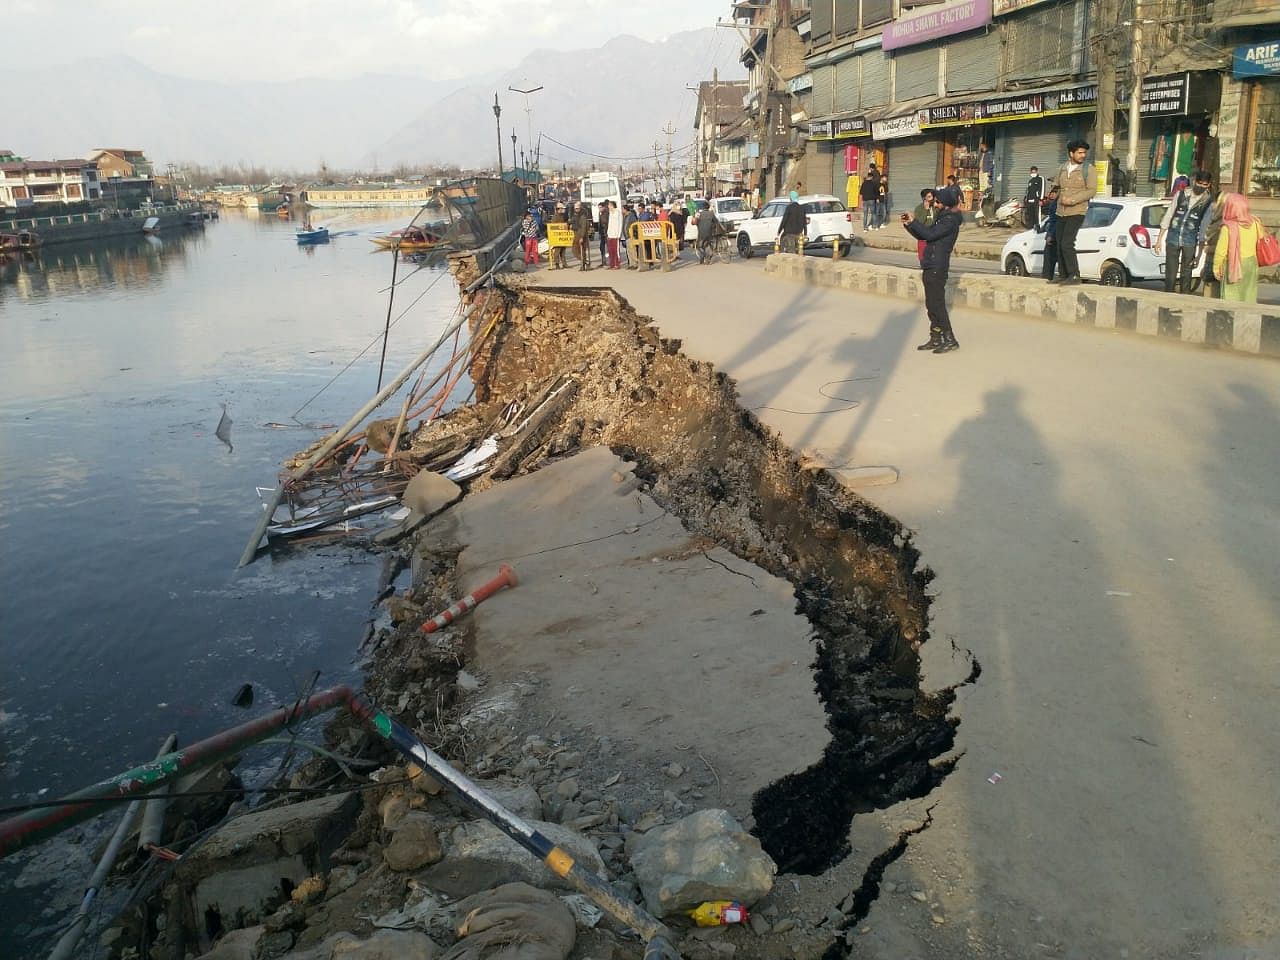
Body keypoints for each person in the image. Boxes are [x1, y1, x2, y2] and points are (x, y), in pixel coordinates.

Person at [902, 184, 963, 354]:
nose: (935, 204)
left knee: (937, 304)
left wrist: (915, 221)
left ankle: (950, 339)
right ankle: (935, 337)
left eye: (937, 202)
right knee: (931, 304)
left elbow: (929, 235)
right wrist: (909, 225)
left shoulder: (949, 221)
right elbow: (925, 235)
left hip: (938, 265)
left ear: (945, 203)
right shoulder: (942, 218)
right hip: (930, 263)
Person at [1154, 170, 1213, 294]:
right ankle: (1166, 303)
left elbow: (1204, 228)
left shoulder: (1208, 202)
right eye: (1199, 183)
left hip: (1189, 242)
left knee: (1186, 274)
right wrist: (1159, 240)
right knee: (1170, 274)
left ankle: (1184, 303)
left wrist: (1199, 254)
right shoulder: (1181, 194)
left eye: (1204, 184)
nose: (1201, 186)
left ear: (1208, 185)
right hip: (1173, 238)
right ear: (1194, 181)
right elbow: (1168, 215)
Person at [1051, 139, 1097, 285]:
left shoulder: (1088, 169)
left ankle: (1074, 275)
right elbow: (1056, 185)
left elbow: (1091, 191)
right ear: (1071, 153)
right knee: (1058, 243)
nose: (1083, 155)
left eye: (1084, 152)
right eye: (1080, 152)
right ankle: (1063, 275)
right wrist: (1053, 193)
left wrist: (1073, 200)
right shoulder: (1062, 168)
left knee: (1067, 243)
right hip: (1060, 211)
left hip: (1077, 211)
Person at [1213, 192, 1261, 303]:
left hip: (1233, 265)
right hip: (1251, 263)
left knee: (1231, 296)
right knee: (1249, 295)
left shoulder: (1228, 227)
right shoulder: (1255, 222)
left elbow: (1221, 251)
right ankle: (1247, 319)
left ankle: (1230, 319)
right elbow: (1260, 239)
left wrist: (1216, 268)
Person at [1198, 193, 1226, 298]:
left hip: (1220, 268)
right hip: (1210, 265)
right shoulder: (1215, 219)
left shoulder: (1225, 224)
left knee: (1215, 300)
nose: (1213, 205)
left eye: (1216, 202)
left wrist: (1209, 249)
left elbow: (1226, 246)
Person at [1039, 187, 1060, 281]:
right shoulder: (1054, 203)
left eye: (1053, 192)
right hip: (1058, 235)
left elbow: (1055, 221)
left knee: (1049, 262)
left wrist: (1050, 235)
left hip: (1054, 237)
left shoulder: (1057, 204)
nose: (1051, 194)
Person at [912, 189, 936, 264]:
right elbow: (919, 223)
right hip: (923, 237)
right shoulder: (919, 208)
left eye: (932, 196)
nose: (931, 198)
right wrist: (925, 210)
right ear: (924, 198)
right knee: (923, 257)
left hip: (934, 235)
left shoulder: (935, 207)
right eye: (929, 197)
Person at [572, 201, 593, 270]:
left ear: (580, 208)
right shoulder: (575, 215)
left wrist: (581, 237)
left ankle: (584, 262)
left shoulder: (582, 216)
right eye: (575, 208)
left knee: (577, 250)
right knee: (579, 251)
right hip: (577, 233)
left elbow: (583, 227)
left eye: (577, 208)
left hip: (580, 235)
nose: (576, 210)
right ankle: (583, 264)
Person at [860, 166, 881, 230]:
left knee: (865, 214)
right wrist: (877, 198)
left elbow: (861, 192)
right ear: (871, 177)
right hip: (872, 200)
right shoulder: (873, 183)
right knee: (873, 213)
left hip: (865, 200)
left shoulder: (864, 183)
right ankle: (874, 226)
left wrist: (862, 199)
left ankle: (865, 227)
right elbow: (877, 192)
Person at [548, 202, 568, 269]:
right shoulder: (555, 217)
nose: (563, 210)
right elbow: (553, 227)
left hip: (562, 235)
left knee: (563, 250)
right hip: (557, 236)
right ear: (559, 209)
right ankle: (557, 264)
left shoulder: (562, 216)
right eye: (562, 208)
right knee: (557, 251)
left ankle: (564, 264)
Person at [604, 199, 622, 269]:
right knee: (610, 250)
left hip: (616, 234)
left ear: (612, 205)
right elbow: (609, 224)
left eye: (609, 205)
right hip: (610, 234)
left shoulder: (618, 212)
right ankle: (611, 264)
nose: (608, 206)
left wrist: (618, 234)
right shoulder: (610, 213)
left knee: (615, 250)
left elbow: (620, 224)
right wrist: (608, 234)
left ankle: (617, 264)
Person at [621, 202, 639, 268]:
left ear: (625, 209)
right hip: (626, 236)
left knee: (633, 250)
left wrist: (633, 233)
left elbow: (635, 225)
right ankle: (631, 264)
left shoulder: (631, 216)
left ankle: (635, 264)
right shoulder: (625, 216)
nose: (622, 211)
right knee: (629, 251)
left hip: (631, 236)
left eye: (622, 209)